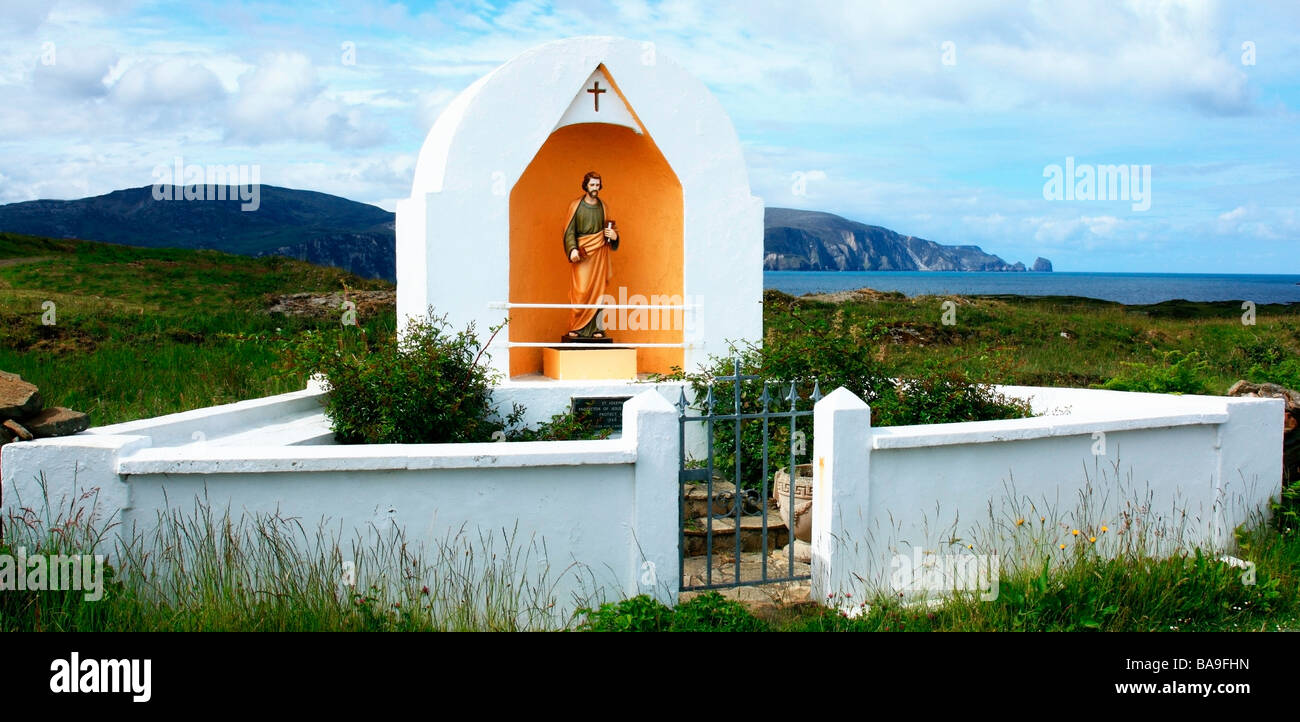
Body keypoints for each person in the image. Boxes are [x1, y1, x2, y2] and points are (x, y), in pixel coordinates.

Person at [562, 171, 620, 339]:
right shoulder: (576, 206)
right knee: (580, 291)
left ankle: (597, 328)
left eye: (597, 185)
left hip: (599, 254)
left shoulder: (603, 207)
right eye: (592, 185)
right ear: (586, 185)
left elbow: (611, 230)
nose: (595, 188)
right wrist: (572, 249)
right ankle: (577, 327)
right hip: (582, 254)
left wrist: (614, 236)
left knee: (598, 292)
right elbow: (569, 231)